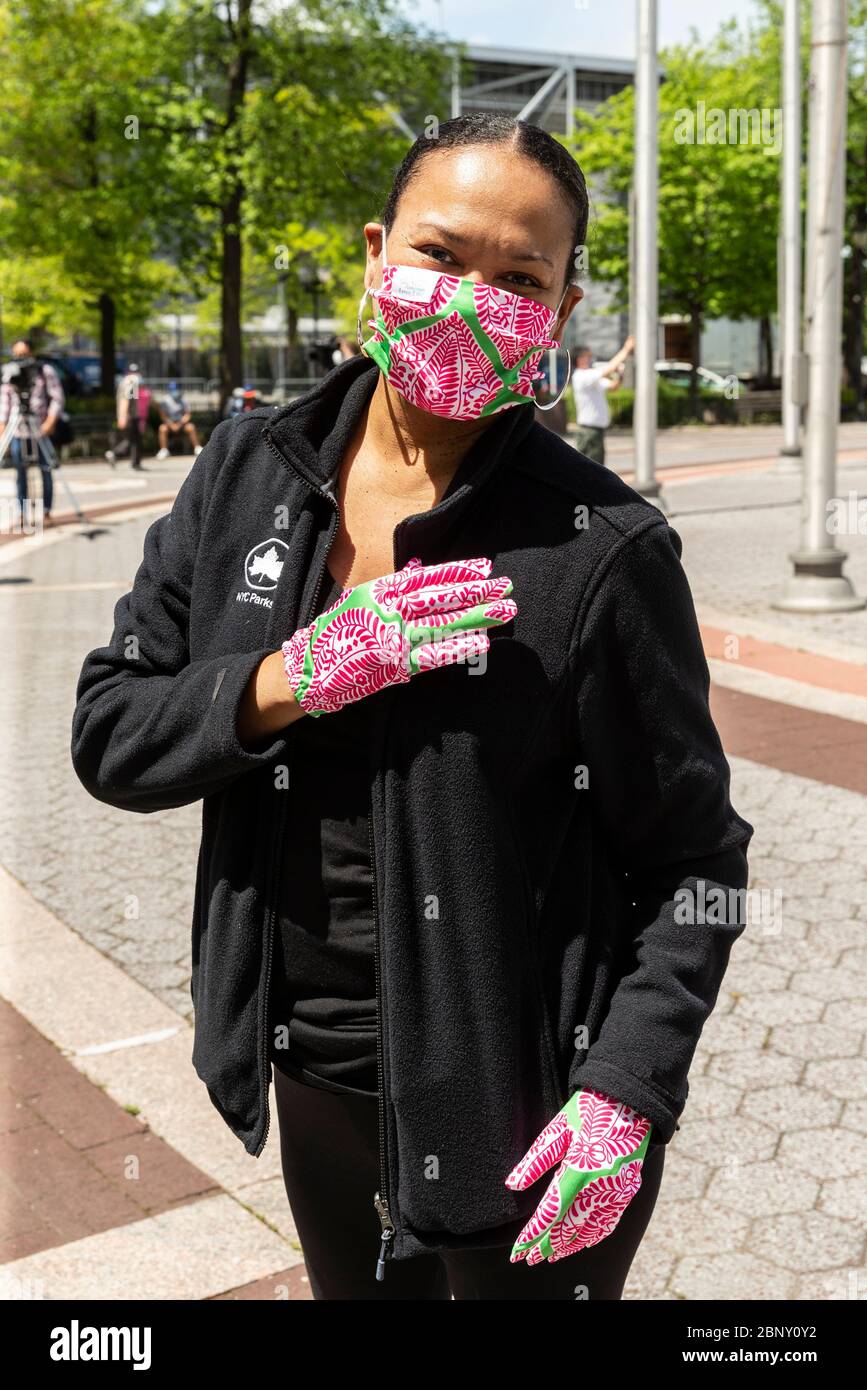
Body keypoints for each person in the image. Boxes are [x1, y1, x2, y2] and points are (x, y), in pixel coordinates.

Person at [71, 114, 753, 1301]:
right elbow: (111, 733)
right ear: (378, 253)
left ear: (564, 308)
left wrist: (628, 1092)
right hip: (314, 1076)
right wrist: (293, 676)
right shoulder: (247, 468)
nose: (469, 298)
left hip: (524, 1101)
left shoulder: (603, 548)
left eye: (519, 279)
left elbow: (700, 864)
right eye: (440, 255)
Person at [0, 338, 65, 525]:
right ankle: (22, 512)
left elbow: (57, 397)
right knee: (20, 472)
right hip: (18, 430)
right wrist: (2, 426)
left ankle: (46, 511)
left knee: (46, 469)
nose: (20, 358)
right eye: (17, 354)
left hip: (40, 429)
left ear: (32, 353)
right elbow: (4, 401)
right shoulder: (9, 372)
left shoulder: (45, 371)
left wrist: (50, 422)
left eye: (24, 354)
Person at [571, 337, 634, 467]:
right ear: (580, 359)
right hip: (589, 432)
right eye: (587, 356)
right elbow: (608, 369)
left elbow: (613, 386)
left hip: (595, 431)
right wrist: (626, 350)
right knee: (592, 470)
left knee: (594, 469)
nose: (590, 359)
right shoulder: (581, 376)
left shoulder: (590, 378)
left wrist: (620, 375)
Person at [106, 364, 151, 470]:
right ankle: (130, 461)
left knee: (133, 439)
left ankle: (122, 457)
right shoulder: (132, 383)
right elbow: (126, 399)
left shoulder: (124, 381)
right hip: (131, 416)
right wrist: (124, 416)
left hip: (130, 415)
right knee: (135, 439)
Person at [155, 380, 201, 459]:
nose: (175, 392)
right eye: (173, 390)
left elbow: (187, 414)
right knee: (162, 428)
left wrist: (180, 424)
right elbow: (163, 416)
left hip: (182, 423)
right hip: (170, 424)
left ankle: (197, 448)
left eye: (176, 389)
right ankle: (164, 450)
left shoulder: (183, 399)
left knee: (191, 427)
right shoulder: (165, 401)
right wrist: (172, 425)